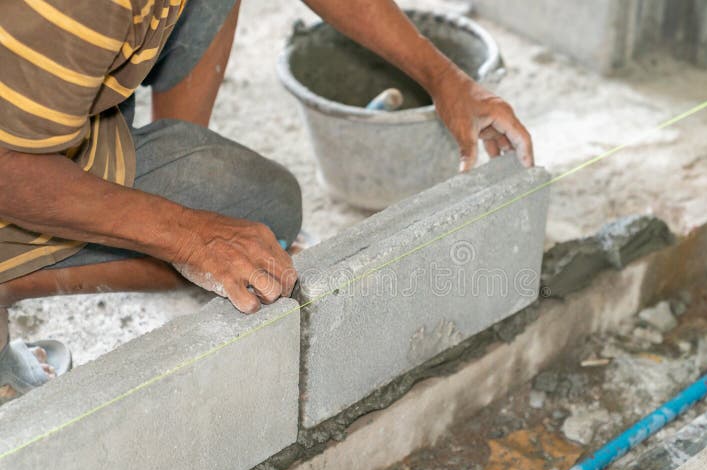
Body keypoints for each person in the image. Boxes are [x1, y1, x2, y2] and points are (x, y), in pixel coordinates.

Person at [0, 0, 534, 399]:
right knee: (266, 216)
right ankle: (14, 277)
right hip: (16, 167)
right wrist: (191, 235)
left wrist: (447, 79)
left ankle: (173, 164)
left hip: (44, 104)